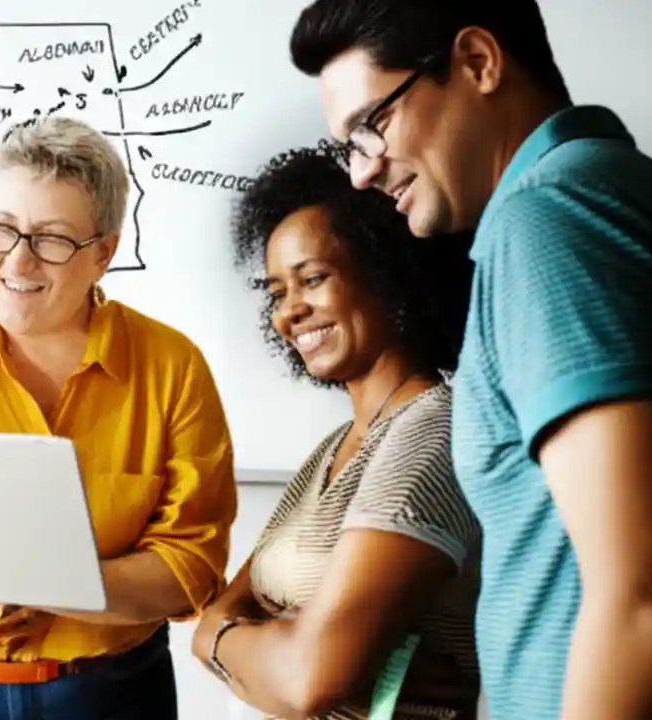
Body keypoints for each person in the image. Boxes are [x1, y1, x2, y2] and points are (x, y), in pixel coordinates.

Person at [290, 2, 652, 718]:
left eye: (373, 125)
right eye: (349, 144)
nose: (361, 173)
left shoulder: (549, 220)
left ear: (478, 63)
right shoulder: (622, 187)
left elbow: (646, 590)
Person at [0, 115, 238, 720]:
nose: (19, 260)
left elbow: (189, 568)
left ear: (104, 254)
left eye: (52, 238)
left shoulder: (173, 367)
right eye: (1, 229)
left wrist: (48, 584)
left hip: (110, 689)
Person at [194, 144, 480, 719]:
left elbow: (309, 682)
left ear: (391, 277)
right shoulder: (333, 447)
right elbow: (213, 620)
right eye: (277, 293)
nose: (288, 312)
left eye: (313, 279)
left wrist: (246, 644)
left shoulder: (433, 432)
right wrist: (232, 638)